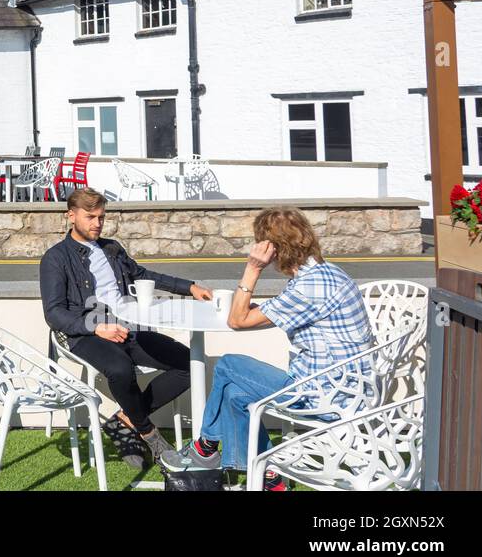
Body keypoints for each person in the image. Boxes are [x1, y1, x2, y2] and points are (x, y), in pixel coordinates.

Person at [160, 207, 375, 490]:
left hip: (325, 393)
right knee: (236, 395)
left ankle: (205, 448)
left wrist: (253, 268)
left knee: (227, 365)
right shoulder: (324, 273)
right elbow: (276, 311)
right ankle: (270, 477)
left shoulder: (307, 286)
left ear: (273, 248)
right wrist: (251, 311)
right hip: (349, 385)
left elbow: (237, 321)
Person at [40, 187, 212, 465]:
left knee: (189, 363)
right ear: (71, 216)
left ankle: (125, 420)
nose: (97, 224)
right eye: (90, 217)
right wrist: (96, 328)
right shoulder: (56, 257)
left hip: (128, 327)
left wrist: (188, 287)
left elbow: (142, 275)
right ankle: (148, 432)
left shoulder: (112, 248)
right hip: (87, 333)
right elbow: (54, 312)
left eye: (101, 218)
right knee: (120, 369)